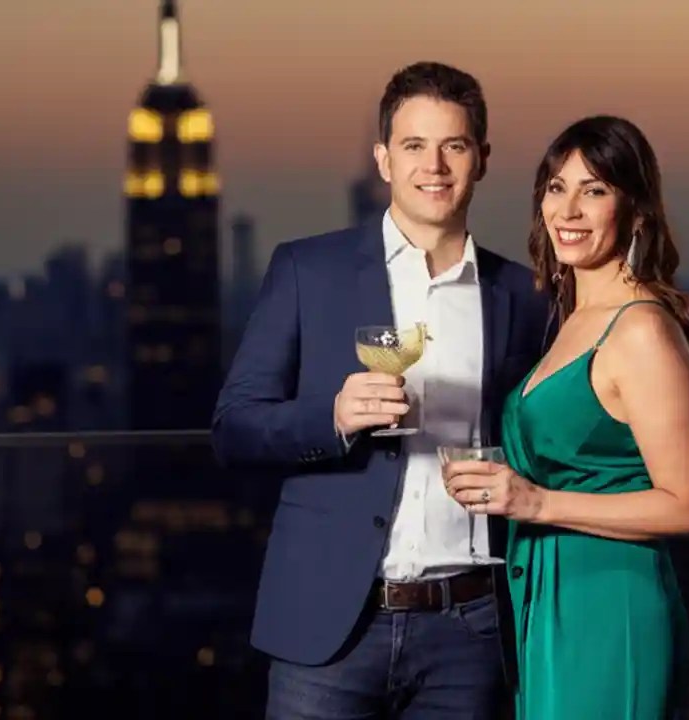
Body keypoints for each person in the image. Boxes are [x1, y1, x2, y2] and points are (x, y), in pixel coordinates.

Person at [211, 61, 551, 719]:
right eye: (414, 145)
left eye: (454, 146)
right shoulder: (309, 271)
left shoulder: (522, 296)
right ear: (384, 160)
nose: (435, 166)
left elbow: (544, 437)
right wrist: (333, 418)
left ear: (481, 159)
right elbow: (234, 427)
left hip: (469, 631)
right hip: (329, 627)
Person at [442, 115, 689, 719]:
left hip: (609, 604)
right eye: (556, 187)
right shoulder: (570, 320)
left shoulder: (640, 329)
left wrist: (537, 503)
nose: (568, 209)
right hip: (546, 598)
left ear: (636, 211)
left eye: (593, 190)